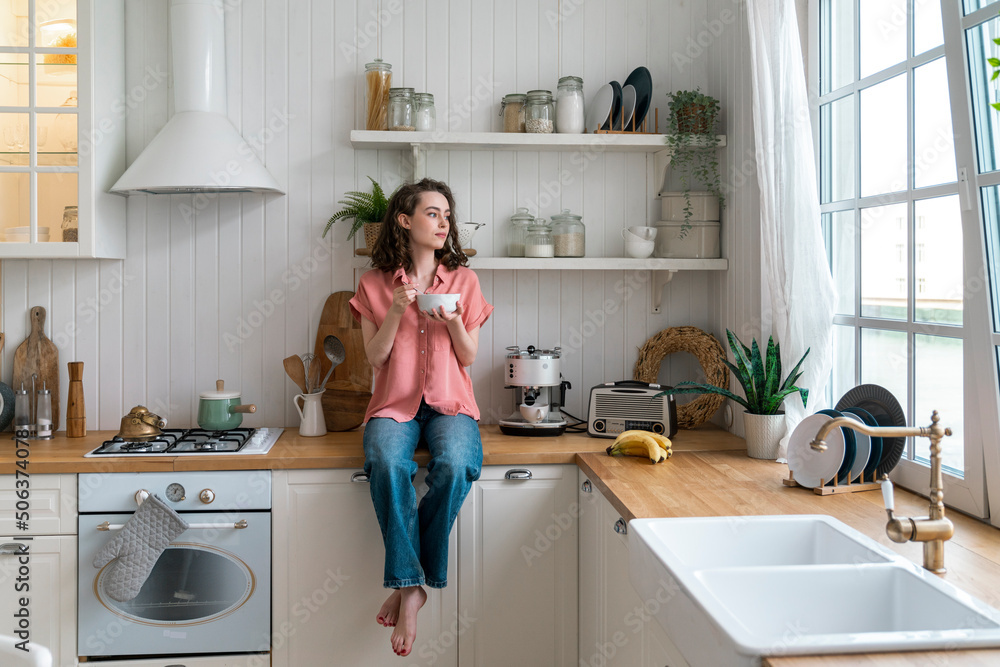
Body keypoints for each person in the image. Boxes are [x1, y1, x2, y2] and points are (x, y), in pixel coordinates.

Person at [348, 178, 493, 657]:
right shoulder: (373, 284)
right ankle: (414, 588)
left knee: (455, 466)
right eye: (433, 213)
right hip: (395, 405)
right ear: (405, 220)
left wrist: (451, 319)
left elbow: (468, 358)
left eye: (447, 215)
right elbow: (375, 356)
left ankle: (407, 583)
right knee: (388, 464)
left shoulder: (465, 282)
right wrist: (396, 310)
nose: (443, 222)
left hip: (451, 403)